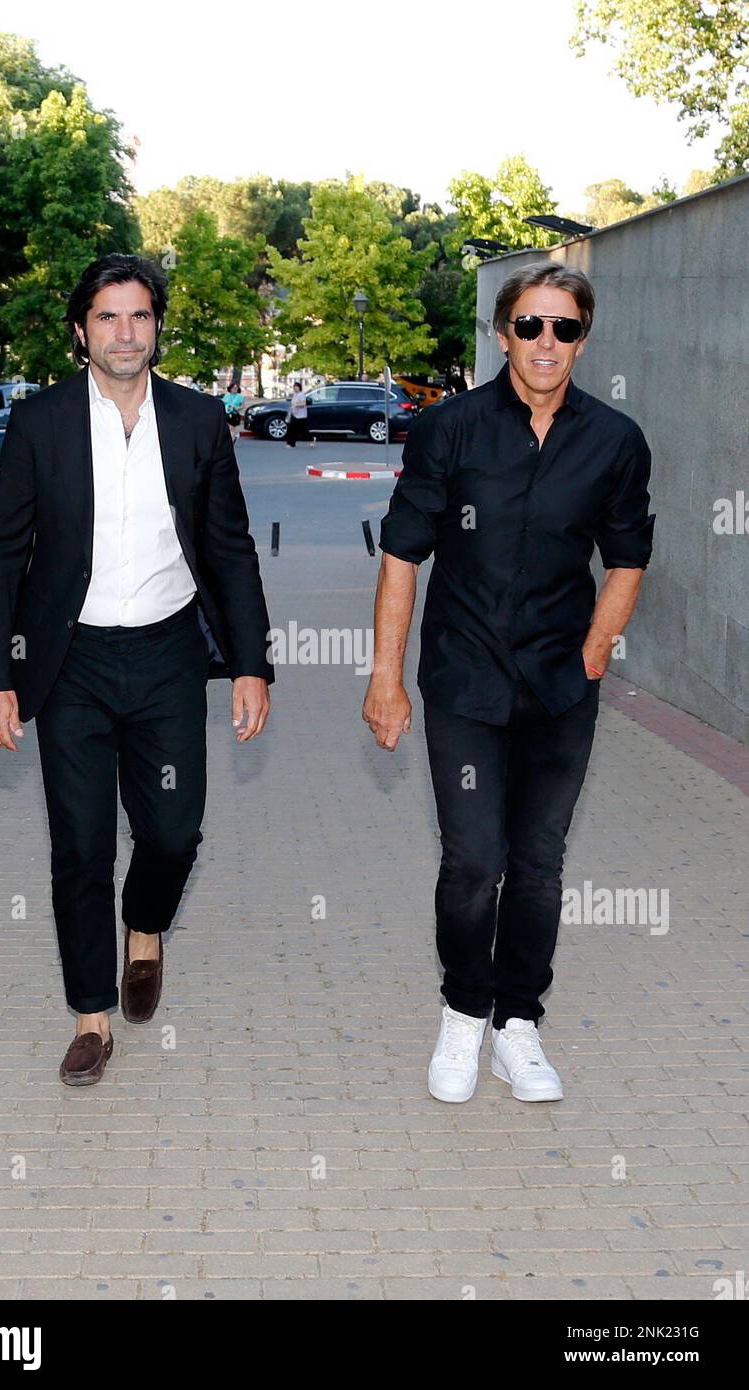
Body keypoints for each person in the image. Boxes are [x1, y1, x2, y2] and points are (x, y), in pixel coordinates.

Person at [0, 253, 274, 1088]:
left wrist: (252, 663)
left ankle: (143, 930)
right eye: (107, 317)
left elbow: (228, 546)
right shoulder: (41, 423)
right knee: (79, 847)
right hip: (70, 663)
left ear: (156, 327)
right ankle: (90, 1018)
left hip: (169, 654)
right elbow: (2, 556)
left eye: (138, 316)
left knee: (175, 830)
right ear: (82, 330)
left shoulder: (197, 418)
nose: (124, 332)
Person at [363, 263, 655, 1105]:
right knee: (472, 863)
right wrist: (385, 679)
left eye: (563, 329)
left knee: (537, 864)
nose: (546, 344)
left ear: (581, 339)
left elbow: (629, 557)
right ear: (502, 335)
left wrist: (595, 651)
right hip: (464, 681)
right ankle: (462, 1015)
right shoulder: (447, 430)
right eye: (530, 327)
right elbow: (401, 556)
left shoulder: (614, 440)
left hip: (561, 689)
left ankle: (515, 1026)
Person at [285, 380, 313, 447]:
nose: (295, 388)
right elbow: (292, 403)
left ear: (299, 387)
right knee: (292, 429)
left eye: (297, 387)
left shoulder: (301, 394)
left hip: (301, 416)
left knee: (303, 431)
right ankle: (291, 443)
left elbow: (303, 404)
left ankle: (311, 439)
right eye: (294, 387)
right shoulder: (295, 395)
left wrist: (296, 405)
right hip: (294, 414)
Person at [221, 379, 244, 444]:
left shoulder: (240, 396)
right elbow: (222, 402)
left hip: (233, 413)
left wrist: (236, 408)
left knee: (232, 427)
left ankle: (231, 441)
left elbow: (242, 406)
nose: (235, 389)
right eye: (233, 388)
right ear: (230, 388)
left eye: (236, 388)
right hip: (226, 412)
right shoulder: (227, 395)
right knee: (227, 427)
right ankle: (232, 437)